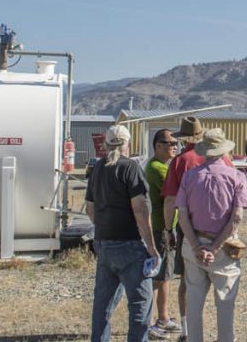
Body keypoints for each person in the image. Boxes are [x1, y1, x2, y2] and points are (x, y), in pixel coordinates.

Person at [175, 128, 247, 342]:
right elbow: (236, 217)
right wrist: (214, 247)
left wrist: (197, 247)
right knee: (225, 304)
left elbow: (182, 216)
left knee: (194, 304)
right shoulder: (237, 176)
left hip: (194, 245)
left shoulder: (190, 177)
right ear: (223, 150)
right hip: (224, 247)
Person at [86, 125, 160, 342]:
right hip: (130, 244)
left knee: (103, 305)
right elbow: (140, 209)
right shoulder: (131, 167)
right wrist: (151, 246)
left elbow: (90, 208)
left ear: (106, 144)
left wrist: (103, 228)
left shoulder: (98, 167)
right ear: (128, 143)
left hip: (103, 243)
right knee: (140, 305)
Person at [162, 117, 233, 340]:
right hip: (223, 230)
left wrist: (168, 229)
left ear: (183, 139)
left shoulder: (180, 161)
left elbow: (171, 200)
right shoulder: (226, 161)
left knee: (190, 285)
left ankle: (188, 331)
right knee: (225, 294)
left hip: (190, 228)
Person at [144, 129, 181, 340]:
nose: (175, 146)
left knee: (165, 275)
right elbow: (175, 193)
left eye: (176, 142)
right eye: (170, 143)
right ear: (158, 145)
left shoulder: (157, 166)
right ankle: (149, 323)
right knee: (157, 277)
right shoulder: (158, 170)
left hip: (164, 227)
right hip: (161, 228)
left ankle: (163, 317)